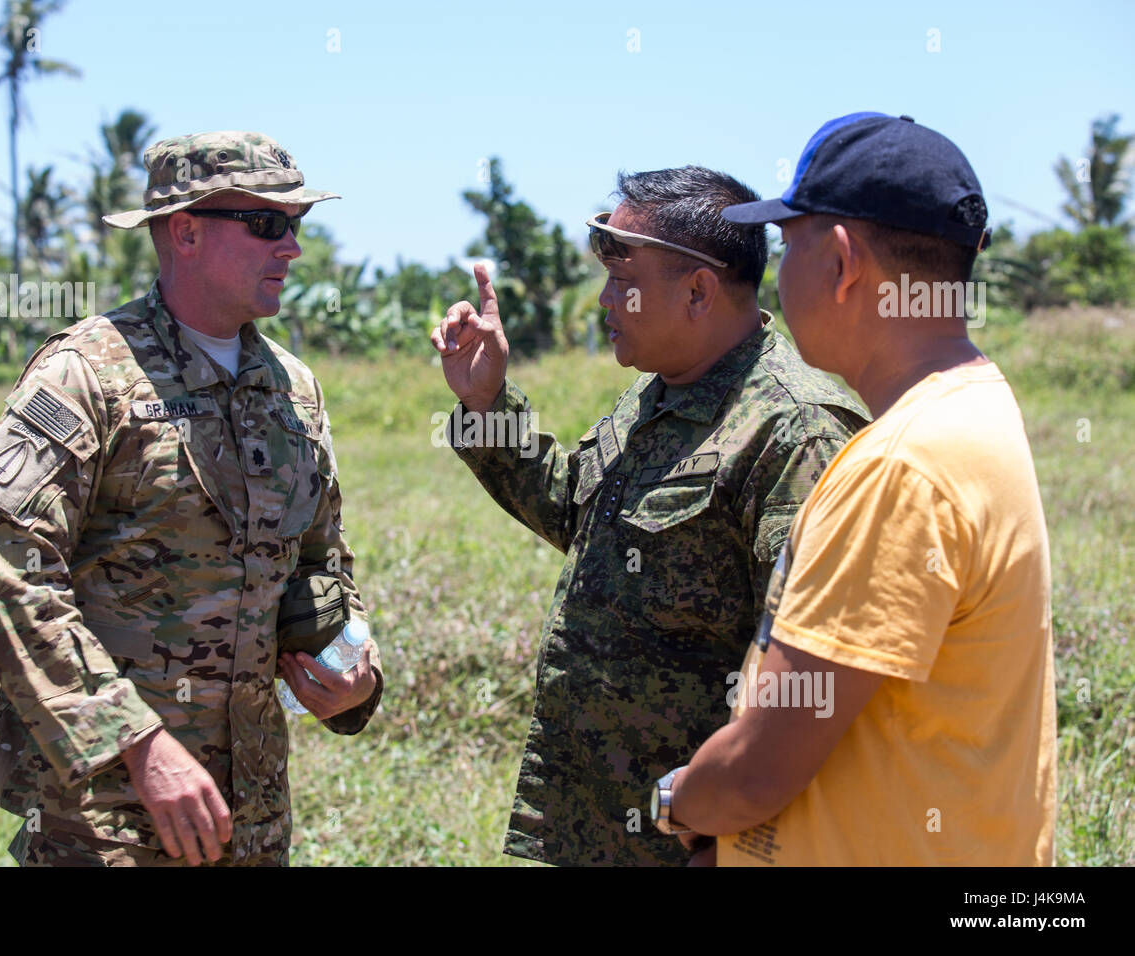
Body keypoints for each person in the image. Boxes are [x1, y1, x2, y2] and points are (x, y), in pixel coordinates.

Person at [0, 131, 383, 867]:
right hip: (100, 815)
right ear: (185, 230)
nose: (290, 247)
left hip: (248, 812)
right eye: (265, 223)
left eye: (297, 223)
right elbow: (11, 575)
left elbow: (319, 564)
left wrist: (353, 674)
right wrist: (137, 743)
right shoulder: (84, 376)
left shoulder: (292, 389)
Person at [430, 167, 869, 865]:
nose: (603, 300)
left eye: (622, 280)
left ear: (698, 290)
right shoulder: (657, 394)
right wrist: (487, 406)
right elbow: (574, 508)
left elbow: (818, 683)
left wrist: (739, 836)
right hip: (600, 825)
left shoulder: (795, 431)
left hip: (700, 844)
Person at [660, 113, 1057, 865]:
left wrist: (678, 801)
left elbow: (755, 771)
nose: (778, 275)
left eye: (787, 246)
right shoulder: (977, 406)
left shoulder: (898, 465)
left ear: (840, 261)